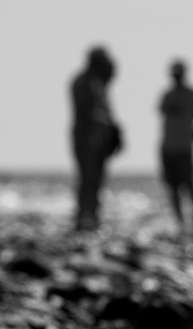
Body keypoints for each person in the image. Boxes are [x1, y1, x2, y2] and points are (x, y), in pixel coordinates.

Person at [69, 45, 121, 232]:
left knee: (96, 180)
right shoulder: (83, 82)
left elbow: (106, 111)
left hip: (99, 139)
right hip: (86, 138)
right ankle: (84, 217)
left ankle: (93, 216)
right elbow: (88, 112)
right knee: (87, 179)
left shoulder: (98, 84)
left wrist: (113, 131)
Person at [157, 58, 193, 242]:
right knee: (173, 188)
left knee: (190, 187)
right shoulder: (167, 96)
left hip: (185, 149)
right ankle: (180, 225)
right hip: (168, 148)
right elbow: (162, 114)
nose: (176, 78)